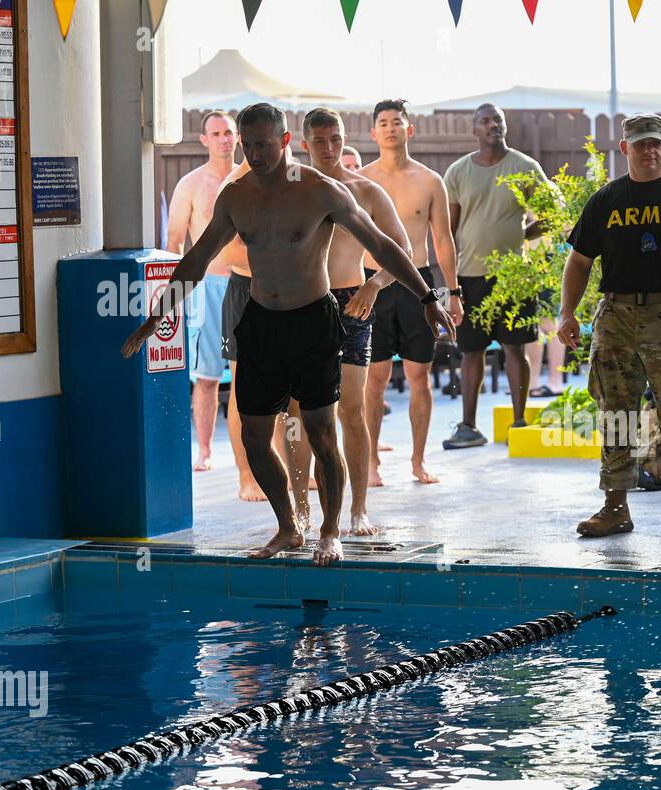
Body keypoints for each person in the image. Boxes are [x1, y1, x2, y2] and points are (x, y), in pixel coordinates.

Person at [122, 103, 455, 567]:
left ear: (283, 142)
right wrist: (159, 313)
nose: (256, 154)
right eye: (248, 144)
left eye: (264, 144)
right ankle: (288, 526)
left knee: (322, 430)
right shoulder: (236, 196)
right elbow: (197, 260)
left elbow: (383, 246)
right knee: (258, 435)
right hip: (261, 320)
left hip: (314, 321)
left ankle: (331, 529)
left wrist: (427, 297)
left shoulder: (320, 190)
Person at [556, 113, 661, 542]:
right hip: (615, 316)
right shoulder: (606, 200)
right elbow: (578, 261)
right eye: (639, 144)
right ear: (624, 149)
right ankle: (615, 507)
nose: (648, 151)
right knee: (615, 413)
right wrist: (567, 313)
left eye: (655, 143)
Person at [297, 107, 413, 536]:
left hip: (351, 303)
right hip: (300, 305)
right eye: (320, 141)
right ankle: (299, 510)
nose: (329, 149)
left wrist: (373, 285)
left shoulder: (365, 191)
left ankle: (359, 509)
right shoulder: (291, 189)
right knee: (298, 413)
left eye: (336, 139)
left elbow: (403, 251)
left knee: (351, 409)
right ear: (304, 144)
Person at [359, 99, 464, 484]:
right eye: (383, 123)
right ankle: (370, 461)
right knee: (375, 379)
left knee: (420, 376)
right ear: (373, 133)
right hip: (373, 283)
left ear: (409, 130)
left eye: (397, 122)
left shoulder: (429, 180)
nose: (390, 128)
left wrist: (453, 293)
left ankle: (418, 461)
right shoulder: (363, 181)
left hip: (418, 283)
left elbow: (443, 240)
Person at [442, 103, 549, 448]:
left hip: (514, 277)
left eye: (498, 120)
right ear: (475, 129)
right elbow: (447, 231)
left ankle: (519, 423)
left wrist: (523, 235)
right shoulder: (458, 172)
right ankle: (468, 427)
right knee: (471, 352)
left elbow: (552, 211)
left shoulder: (524, 166)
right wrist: (450, 287)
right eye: (485, 121)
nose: (493, 125)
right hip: (469, 277)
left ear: (505, 126)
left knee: (515, 349)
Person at [167, 109, 236, 472]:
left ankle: (255, 454)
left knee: (251, 374)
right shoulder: (191, 184)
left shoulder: (251, 179)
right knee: (207, 375)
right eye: (217, 133)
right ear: (204, 139)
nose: (225, 139)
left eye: (229, 132)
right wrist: (180, 293)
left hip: (248, 284)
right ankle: (205, 450)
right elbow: (175, 241)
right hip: (207, 286)